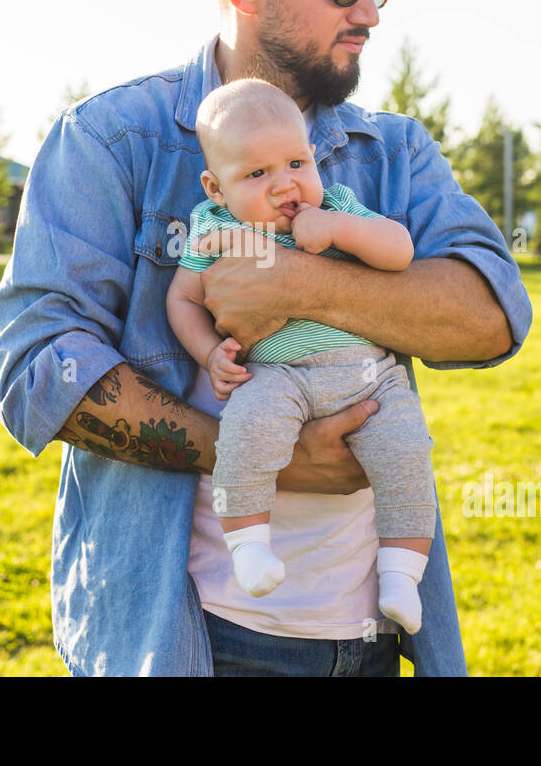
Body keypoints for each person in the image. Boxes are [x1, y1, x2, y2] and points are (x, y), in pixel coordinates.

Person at [0, 0, 532, 677]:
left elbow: (492, 318)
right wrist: (253, 450)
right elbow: (36, 373)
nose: (370, 10)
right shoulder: (110, 139)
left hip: (373, 636)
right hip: (193, 639)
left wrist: (300, 282)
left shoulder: (394, 151)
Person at [166, 78, 435, 635]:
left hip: (369, 378)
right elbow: (183, 299)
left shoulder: (337, 204)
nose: (284, 185)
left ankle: (402, 573)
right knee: (246, 432)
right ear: (216, 188)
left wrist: (339, 228)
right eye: (257, 174)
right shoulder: (217, 228)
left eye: (294, 163)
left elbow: (400, 251)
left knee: (407, 452)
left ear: (314, 158)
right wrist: (210, 352)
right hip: (277, 374)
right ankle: (249, 546)